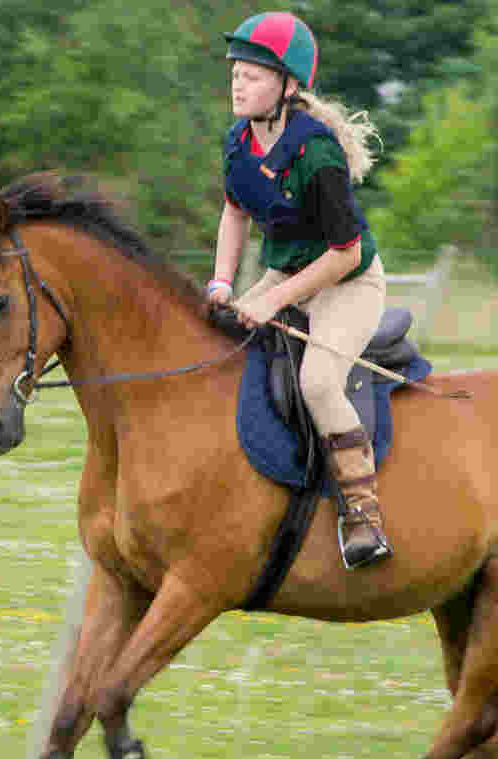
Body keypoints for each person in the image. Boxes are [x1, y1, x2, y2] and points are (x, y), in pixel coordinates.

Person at [208, 11, 391, 570]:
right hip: (286, 274)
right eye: (236, 71)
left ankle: (363, 515)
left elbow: (348, 253)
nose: (239, 82)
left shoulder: (317, 153)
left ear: (289, 86)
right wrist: (222, 281)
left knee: (316, 380)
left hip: (346, 283)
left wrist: (272, 299)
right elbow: (235, 213)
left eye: (254, 74)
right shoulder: (239, 142)